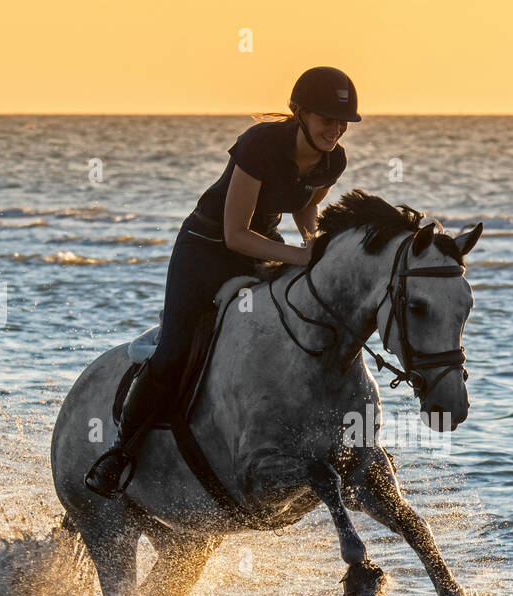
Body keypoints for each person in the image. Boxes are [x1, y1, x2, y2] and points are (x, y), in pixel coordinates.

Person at [84, 66, 360, 498]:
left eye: (342, 122)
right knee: (175, 348)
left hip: (263, 244)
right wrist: (301, 256)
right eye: (327, 118)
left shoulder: (334, 160)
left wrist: (316, 245)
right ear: (299, 113)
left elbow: (305, 209)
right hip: (205, 249)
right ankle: (120, 452)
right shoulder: (261, 145)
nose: (336, 129)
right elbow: (235, 234)